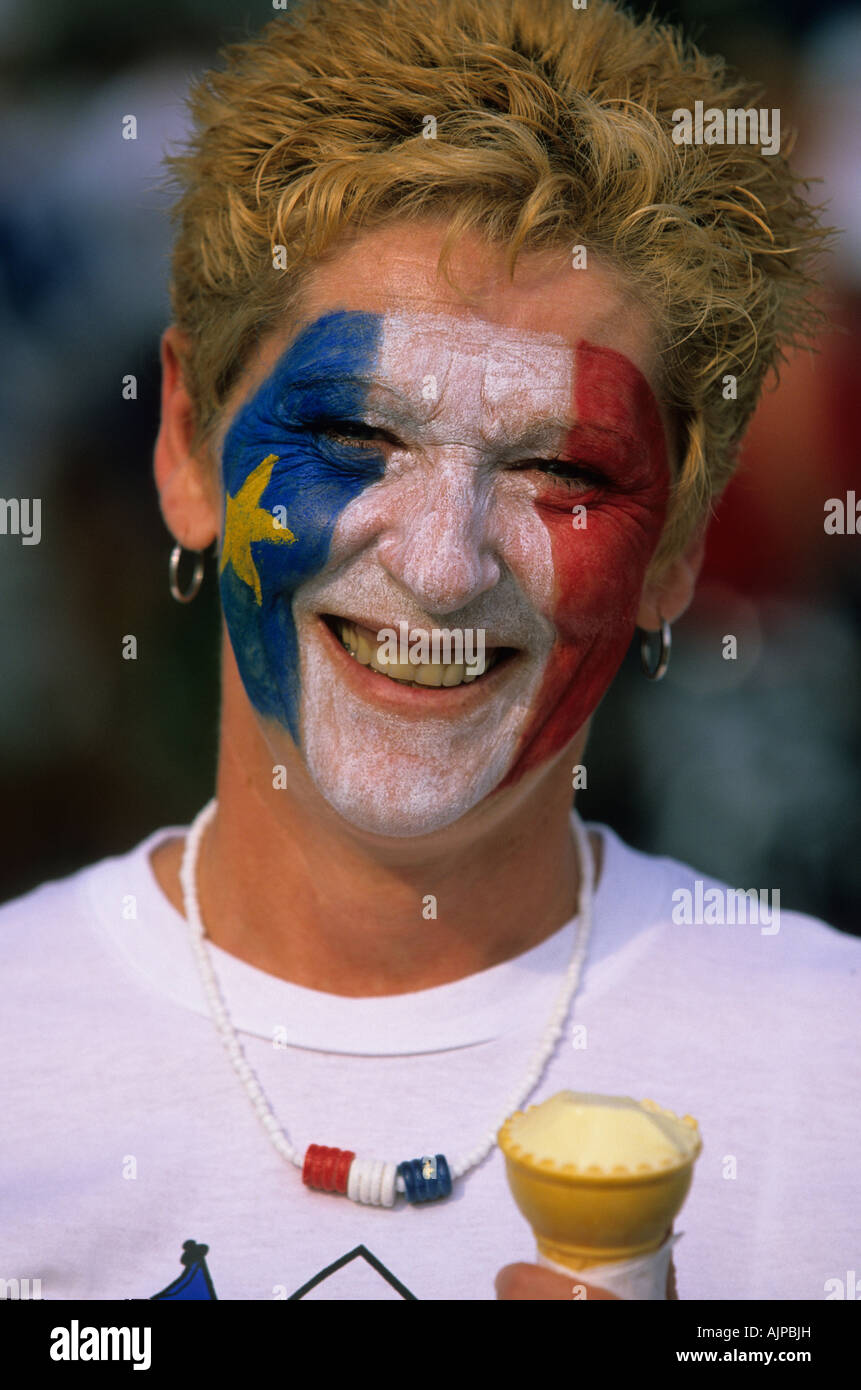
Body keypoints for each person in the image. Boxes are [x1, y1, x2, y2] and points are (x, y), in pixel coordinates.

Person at [1, 0, 857, 1302]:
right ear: (183, 445)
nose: (444, 564)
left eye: (559, 468)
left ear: (676, 545)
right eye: (355, 435)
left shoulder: (833, 1078)